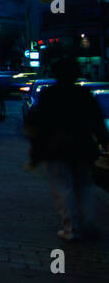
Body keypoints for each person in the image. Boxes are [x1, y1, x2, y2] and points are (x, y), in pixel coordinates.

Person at [26, 56, 109, 241]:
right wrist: (103, 140)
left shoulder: (50, 95)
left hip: (57, 149)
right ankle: (88, 220)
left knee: (62, 188)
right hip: (82, 147)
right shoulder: (84, 95)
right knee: (85, 186)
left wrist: (36, 149)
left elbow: (38, 124)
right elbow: (96, 121)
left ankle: (70, 227)